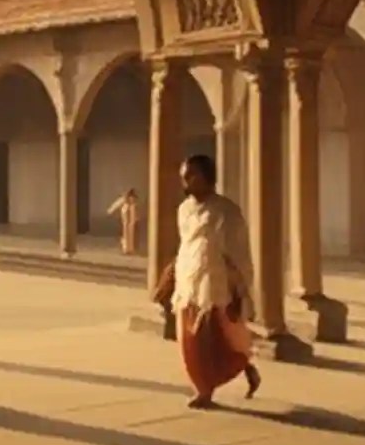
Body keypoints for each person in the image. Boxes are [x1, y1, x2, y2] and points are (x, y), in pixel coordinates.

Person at [163, 154, 260, 409]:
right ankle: (202, 387)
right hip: (188, 277)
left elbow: (238, 251)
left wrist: (239, 285)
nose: (186, 181)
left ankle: (234, 370)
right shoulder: (183, 209)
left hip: (215, 280)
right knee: (188, 337)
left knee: (211, 335)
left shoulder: (226, 211)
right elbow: (186, 243)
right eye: (184, 176)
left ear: (207, 177)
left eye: (192, 175)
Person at [107, 188, 140, 255]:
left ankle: (129, 249)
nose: (131, 199)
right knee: (126, 234)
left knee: (131, 234)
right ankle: (126, 249)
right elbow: (116, 205)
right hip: (126, 222)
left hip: (131, 222)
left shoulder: (133, 204)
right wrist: (110, 210)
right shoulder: (125, 201)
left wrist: (136, 218)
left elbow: (136, 212)